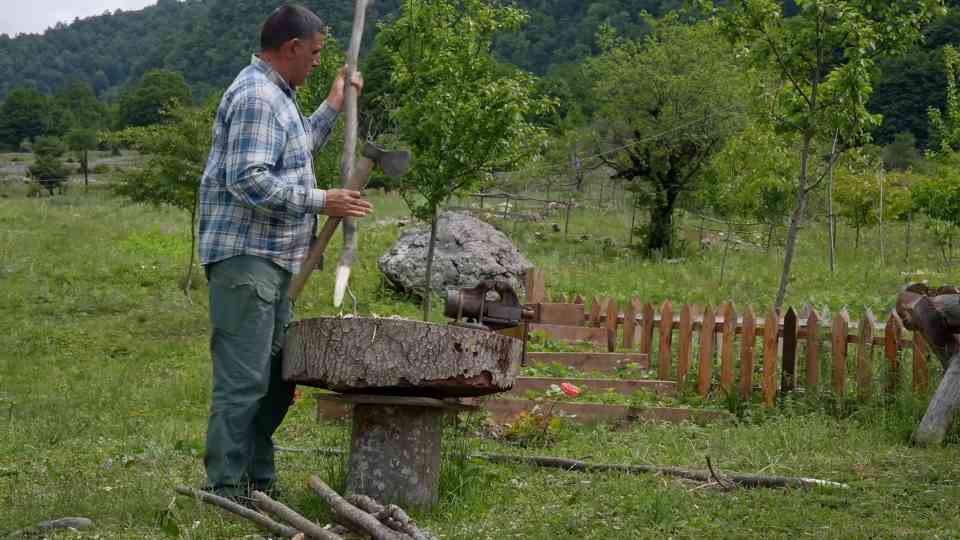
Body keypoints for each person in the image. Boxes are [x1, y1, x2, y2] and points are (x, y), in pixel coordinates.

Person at [197, 4, 372, 500]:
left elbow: (292, 156)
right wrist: (324, 200)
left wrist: (334, 106)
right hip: (247, 259)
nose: (319, 62)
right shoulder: (256, 97)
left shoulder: (279, 97)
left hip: (275, 263)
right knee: (244, 381)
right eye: (315, 53)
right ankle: (228, 488)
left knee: (275, 382)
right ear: (291, 48)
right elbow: (248, 179)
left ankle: (258, 480)